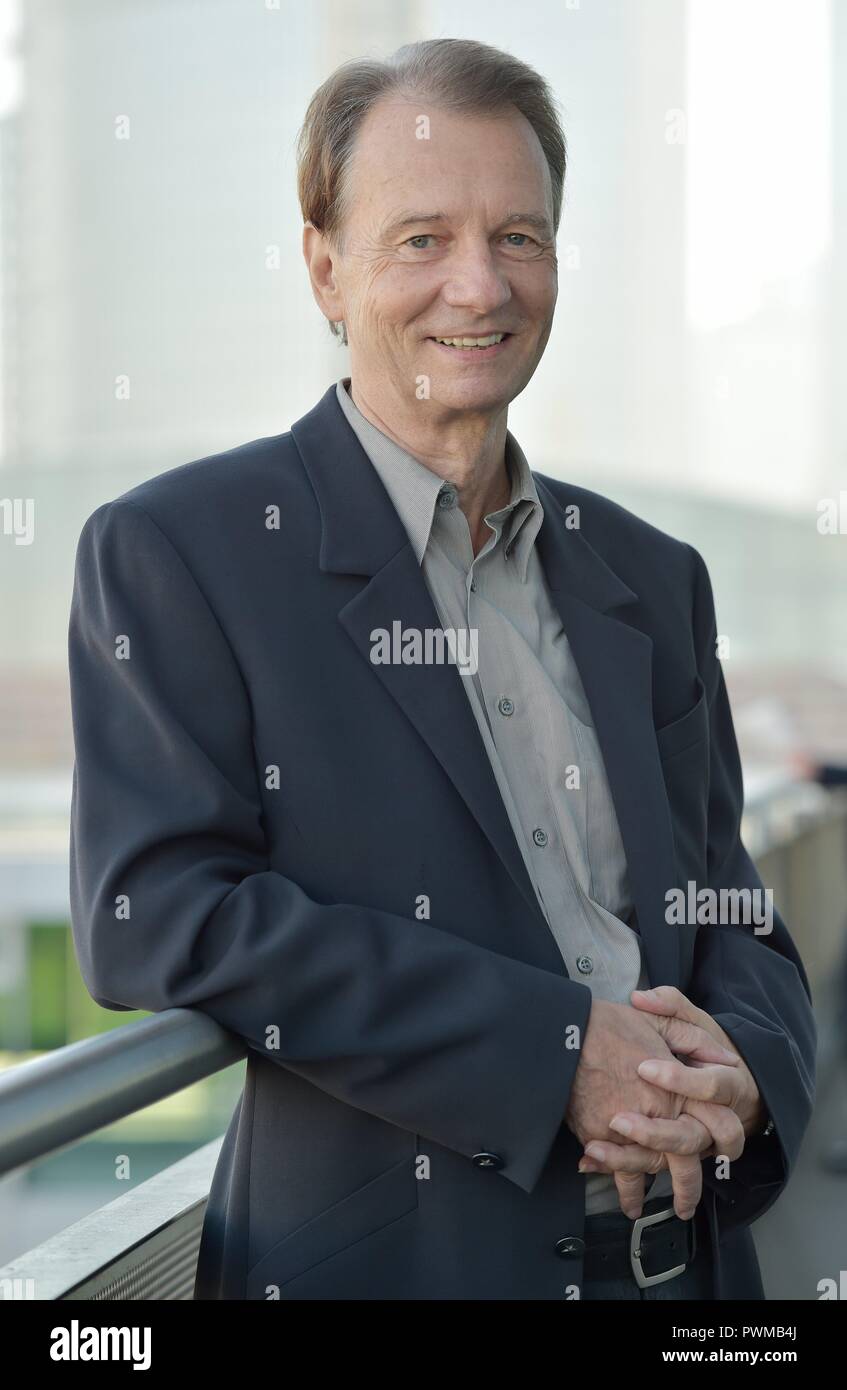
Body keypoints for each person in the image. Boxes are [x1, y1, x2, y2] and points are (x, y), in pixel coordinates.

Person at [67, 38, 816, 1301]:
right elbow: (160, 912)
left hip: (685, 1276)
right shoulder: (179, 553)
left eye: (518, 236)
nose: (479, 285)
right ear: (324, 268)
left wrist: (742, 1067)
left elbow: (726, 903)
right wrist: (554, 1054)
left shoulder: (654, 575)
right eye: (421, 239)